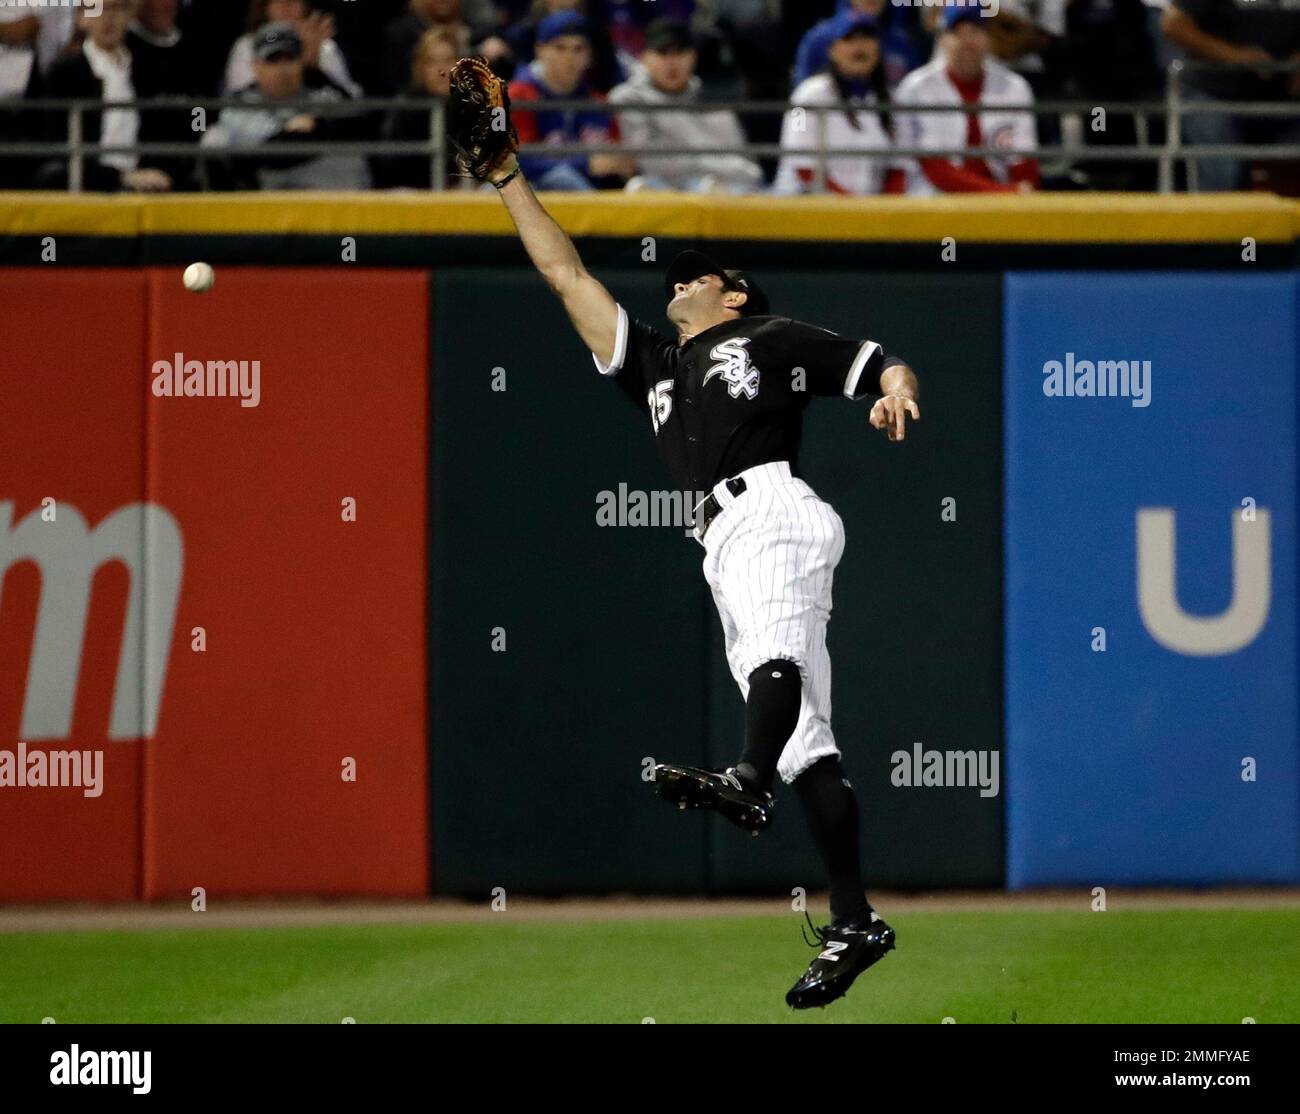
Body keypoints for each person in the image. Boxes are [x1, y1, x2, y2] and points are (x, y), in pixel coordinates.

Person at [467, 68, 920, 1009]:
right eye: (674, 275)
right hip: (727, 542)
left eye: (698, 275)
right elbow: (565, 274)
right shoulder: (658, 368)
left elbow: (875, 361)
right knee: (813, 748)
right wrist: (510, 176)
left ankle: (746, 780)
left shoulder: (768, 337)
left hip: (772, 510)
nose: (680, 280)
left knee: (774, 693)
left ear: (734, 296)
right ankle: (853, 921)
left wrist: (893, 390)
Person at [201, 22, 371, 191]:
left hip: (326, 196)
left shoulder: (321, 94)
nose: (282, 69)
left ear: (301, 62)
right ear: (256, 65)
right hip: (267, 199)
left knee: (352, 159)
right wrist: (313, 130)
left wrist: (316, 124)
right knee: (214, 139)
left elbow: (358, 124)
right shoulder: (241, 104)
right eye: (273, 60)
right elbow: (267, 155)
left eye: (289, 59)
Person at [893, 7, 1040, 194]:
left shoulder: (1015, 87)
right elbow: (937, 170)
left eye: (975, 31)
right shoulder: (916, 88)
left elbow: (1025, 164)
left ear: (988, 39)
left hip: (1003, 205)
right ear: (942, 39)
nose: (967, 41)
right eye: (957, 32)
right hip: (936, 203)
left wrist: (1021, 196)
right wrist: (1005, 194)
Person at [608, 18, 763, 193]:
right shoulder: (629, 98)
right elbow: (651, 163)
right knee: (642, 188)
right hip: (663, 192)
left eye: (680, 52)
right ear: (645, 58)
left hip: (725, 191)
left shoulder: (712, 97)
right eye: (663, 52)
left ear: (693, 56)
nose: (672, 62)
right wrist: (710, 171)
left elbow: (750, 172)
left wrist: (708, 177)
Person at [1162, 0, 1300, 191]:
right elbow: (1172, 24)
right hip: (1213, 94)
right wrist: (1234, 56)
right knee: (1225, 168)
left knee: (1289, 166)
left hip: (1286, 100)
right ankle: (1219, 220)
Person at [38, 0, 173, 193]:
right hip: (87, 183)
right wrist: (120, 177)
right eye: (98, 9)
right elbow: (59, 149)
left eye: (117, 9)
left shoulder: (148, 70)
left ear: (130, 16)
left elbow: (162, 132)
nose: (108, 18)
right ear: (81, 18)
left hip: (144, 181)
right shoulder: (66, 73)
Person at [774, 13, 901, 196]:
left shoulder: (892, 101)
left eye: (868, 38)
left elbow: (899, 168)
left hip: (868, 212)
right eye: (850, 39)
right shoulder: (804, 97)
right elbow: (801, 165)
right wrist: (849, 207)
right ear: (832, 50)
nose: (860, 47)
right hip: (807, 206)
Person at [509, 11, 633, 190]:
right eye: (560, 48)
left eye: (578, 49)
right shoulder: (519, 96)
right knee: (562, 177)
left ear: (589, 54)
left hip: (594, 193)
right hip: (538, 194)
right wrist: (584, 164)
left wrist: (622, 164)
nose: (570, 57)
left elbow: (618, 156)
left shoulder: (598, 103)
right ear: (540, 50)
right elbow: (512, 161)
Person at [374, 27, 463, 189]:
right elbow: (396, 167)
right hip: (413, 193)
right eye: (432, 61)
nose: (441, 70)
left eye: (448, 60)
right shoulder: (406, 108)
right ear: (420, 68)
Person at [224, 0, 362, 97]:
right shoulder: (247, 45)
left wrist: (314, 65)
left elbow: (350, 100)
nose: (286, 7)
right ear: (265, 7)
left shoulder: (325, 47)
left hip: (314, 124)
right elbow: (238, 97)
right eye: (279, 1)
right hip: (258, 125)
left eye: (294, 0)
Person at [794, 0, 924, 90]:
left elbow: (914, 96)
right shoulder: (818, 40)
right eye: (850, 39)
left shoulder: (902, 43)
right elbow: (801, 97)